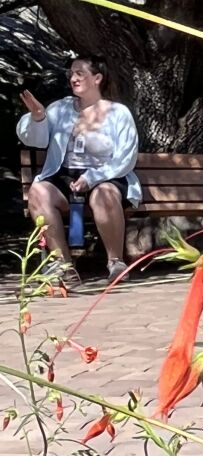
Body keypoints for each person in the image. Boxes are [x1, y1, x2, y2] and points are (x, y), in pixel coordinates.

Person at [17, 56, 140, 285]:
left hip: (106, 177)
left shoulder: (118, 113)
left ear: (97, 78)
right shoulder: (60, 108)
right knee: (38, 191)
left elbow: (126, 158)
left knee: (104, 193)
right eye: (71, 74)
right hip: (65, 177)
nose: (73, 78)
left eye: (79, 73)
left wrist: (91, 177)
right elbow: (36, 140)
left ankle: (116, 262)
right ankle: (63, 265)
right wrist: (38, 117)